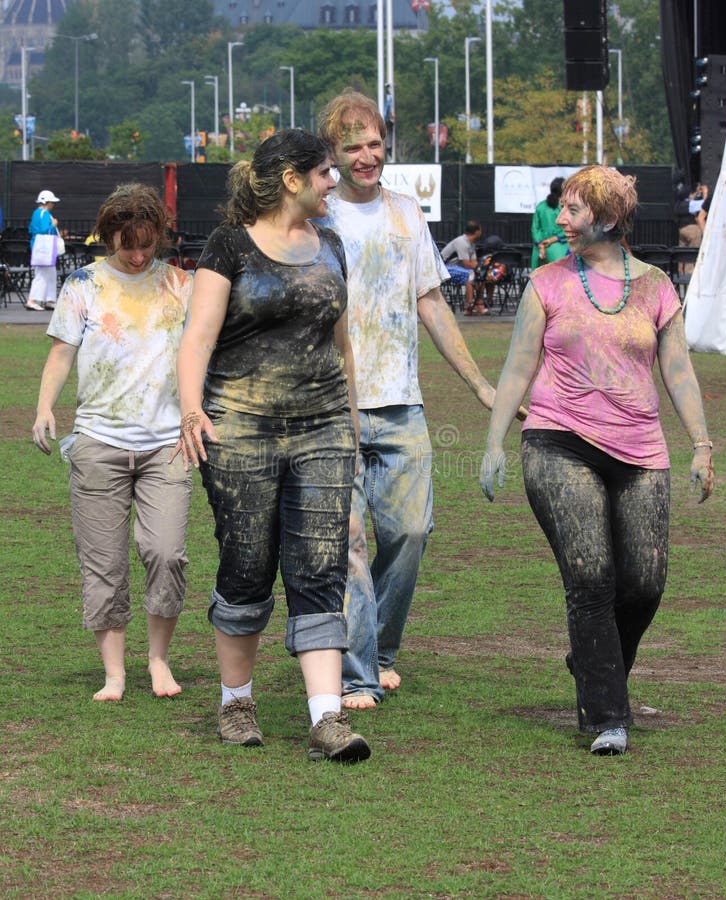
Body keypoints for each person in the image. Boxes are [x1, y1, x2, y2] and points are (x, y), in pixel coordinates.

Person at [480, 165, 715, 756]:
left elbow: (679, 372)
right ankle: (607, 714)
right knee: (590, 576)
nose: (560, 219)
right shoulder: (547, 283)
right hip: (558, 439)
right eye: (562, 207)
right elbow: (518, 365)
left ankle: (591, 658)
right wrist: (493, 442)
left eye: (573, 209)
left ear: (607, 218)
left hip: (641, 450)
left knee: (645, 584)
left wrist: (701, 444)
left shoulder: (657, 287)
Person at [175, 129, 370, 763]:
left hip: (323, 428)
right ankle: (236, 703)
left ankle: (327, 719)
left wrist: (351, 423)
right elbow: (197, 339)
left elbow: (342, 345)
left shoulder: (331, 245)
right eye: (325, 172)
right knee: (248, 564)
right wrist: (191, 411)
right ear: (291, 179)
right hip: (239, 428)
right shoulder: (229, 244)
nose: (334, 181)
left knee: (320, 566)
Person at [317, 90, 496, 709]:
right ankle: (357, 674)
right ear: (333, 153)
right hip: (329, 407)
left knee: (412, 531)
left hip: (401, 403)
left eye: (374, 144)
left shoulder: (406, 213)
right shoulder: (315, 218)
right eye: (353, 147)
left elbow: (432, 302)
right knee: (349, 544)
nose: (367, 156)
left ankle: (381, 648)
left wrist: (479, 384)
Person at [31, 183, 193, 701]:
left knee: (166, 552)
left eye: (147, 244)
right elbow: (61, 352)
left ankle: (159, 660)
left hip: (167, 444)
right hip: (99, 441)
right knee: (103, 562)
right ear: (109, 236)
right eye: (128, 245)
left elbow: (204, 350)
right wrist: (44, 408)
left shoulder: (181, 284)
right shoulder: (83, 283)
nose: (139, 255)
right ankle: (115, 673)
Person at [441, 220, 488, 315]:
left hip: (459, 268)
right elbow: (467, 264)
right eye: (480, 230)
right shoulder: (461, 242)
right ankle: (468, 307)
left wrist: (482, 270)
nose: (481, 232)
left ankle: (479, 305)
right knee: (471, 275)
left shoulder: (472, 243)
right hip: (445, 268)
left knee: (481, 274)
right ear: (476, 232)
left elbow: (474, 262)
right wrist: (480, 267)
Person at [27, 189, 61, 311]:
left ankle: (49, 300)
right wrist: (54, 225)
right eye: (52, 202)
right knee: (42, 274)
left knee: (50, 273)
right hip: (44, 247)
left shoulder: (36, 213)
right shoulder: (44, 213)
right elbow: (45, 230)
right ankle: (33, 300)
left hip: (39, 246)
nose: (53, 204)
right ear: (47, 202)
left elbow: (31, 229)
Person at [530, 177, 567, 270]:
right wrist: (553, 239)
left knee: (538, 277)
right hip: (559, 248)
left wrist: (540, 245)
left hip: (539, 249)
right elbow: (569, 227)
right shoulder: (564, 208)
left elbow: (534, 228)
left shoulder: (540, 206)